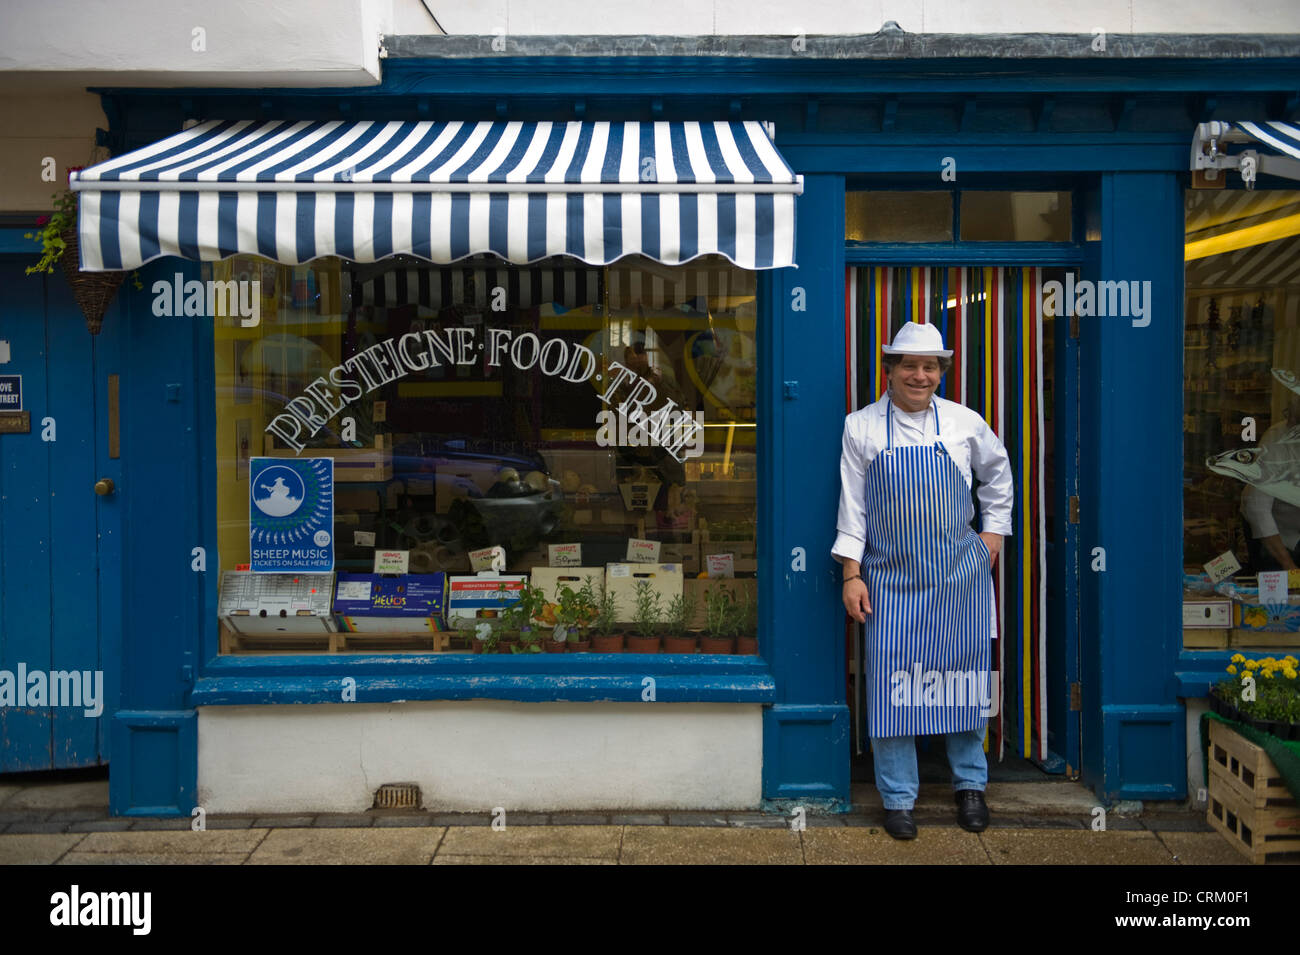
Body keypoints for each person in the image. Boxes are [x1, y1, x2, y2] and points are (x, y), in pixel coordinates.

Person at [832, 322, 1013, 840]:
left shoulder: (964, 423)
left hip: (959, 578)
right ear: (888, 371)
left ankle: (970, 786)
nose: (919, 375)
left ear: (941, 372)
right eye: (909, 365)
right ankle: (897, 798)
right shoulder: (861, 427)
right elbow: (853, 506)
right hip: (890, 580)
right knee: (894, 688)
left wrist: (993, 536)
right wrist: (852, 573)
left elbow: (998, 478)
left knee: (963, 678)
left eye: (929, 366)